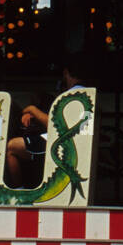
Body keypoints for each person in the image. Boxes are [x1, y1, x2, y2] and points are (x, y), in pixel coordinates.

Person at [6, 59, 88, 187]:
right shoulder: (86, 94)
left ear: (66, 72)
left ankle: (19, 193)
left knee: (12, 146)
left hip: (64, 143)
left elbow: (55, 125)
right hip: (76, 141)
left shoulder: (72, 95)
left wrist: (32, 109)